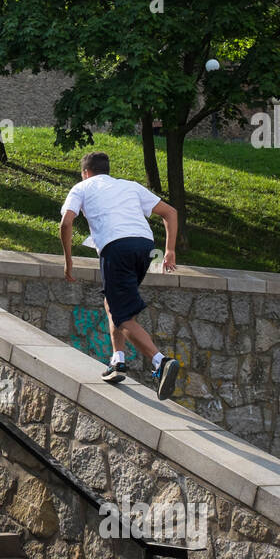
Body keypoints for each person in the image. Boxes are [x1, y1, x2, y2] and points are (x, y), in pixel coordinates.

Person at [59, 151, 181, 400]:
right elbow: (170, 213)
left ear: (85, 172)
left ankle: (161, 362)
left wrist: (68, 260)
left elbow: (66, 223)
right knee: (114, 302)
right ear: (107, 169)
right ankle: (118, 360)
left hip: (117, 248)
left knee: (122, 313)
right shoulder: (130, 186)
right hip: (145, 247)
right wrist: (169, 250)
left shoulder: (81, 188)